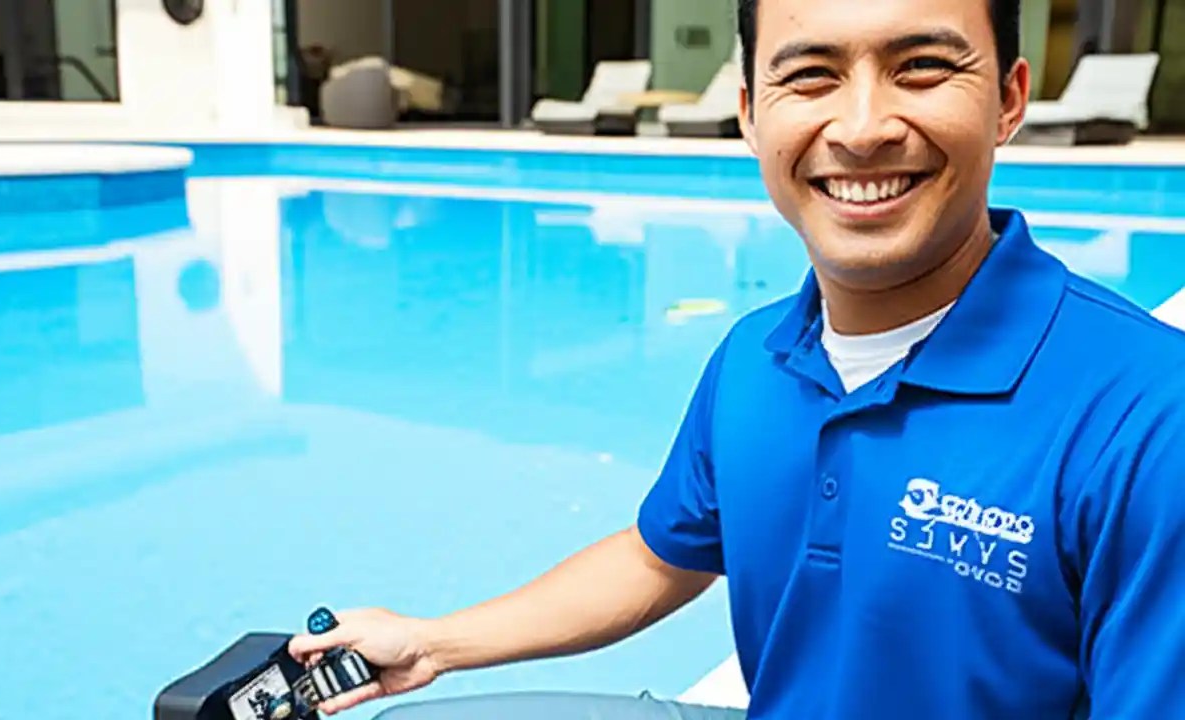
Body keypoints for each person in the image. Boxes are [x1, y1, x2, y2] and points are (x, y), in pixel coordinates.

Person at [289, 0, 1185, 717]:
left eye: (921, 68)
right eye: (812, 76)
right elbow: (658, 557)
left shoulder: (1147, 414)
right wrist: (435, 643)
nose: (864, 127)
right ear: (753, 116)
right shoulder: (758, 355)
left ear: (1009, 100)